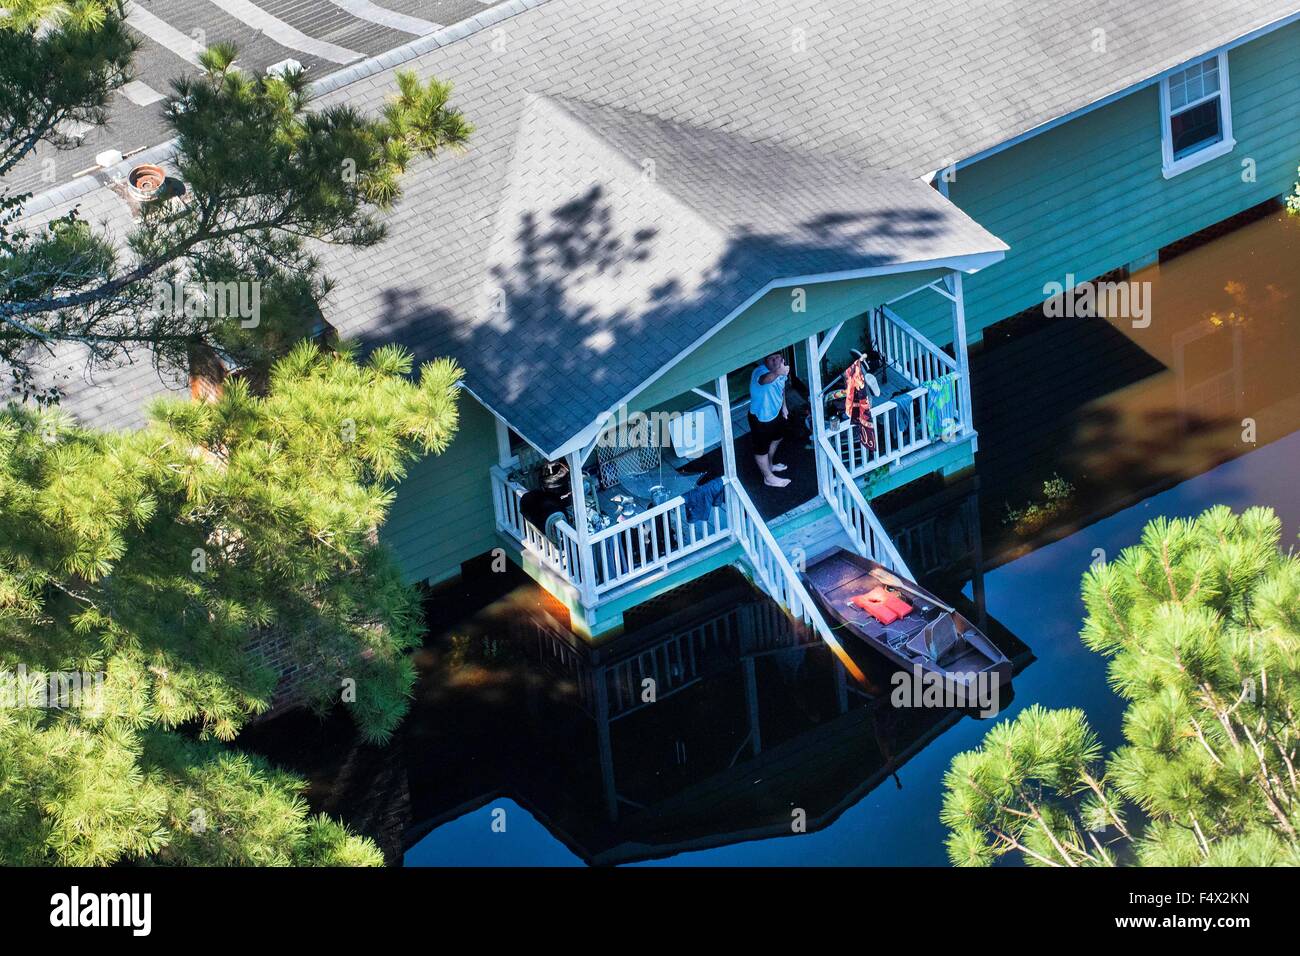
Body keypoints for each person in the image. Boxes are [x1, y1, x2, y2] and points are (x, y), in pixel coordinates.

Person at [748, 352, 793, 487]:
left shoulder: (782, 370)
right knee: (761, 449)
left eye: (777, 357)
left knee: (777, 438)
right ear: (765, 361)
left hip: (776, 413)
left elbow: (781, 388)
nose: (774, 361)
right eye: (770, 359)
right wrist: (779, 372)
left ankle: (770, 465)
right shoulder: (759, 372)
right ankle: (768, 477)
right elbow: (764, 380)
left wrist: (784, 406)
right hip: (760, 418)